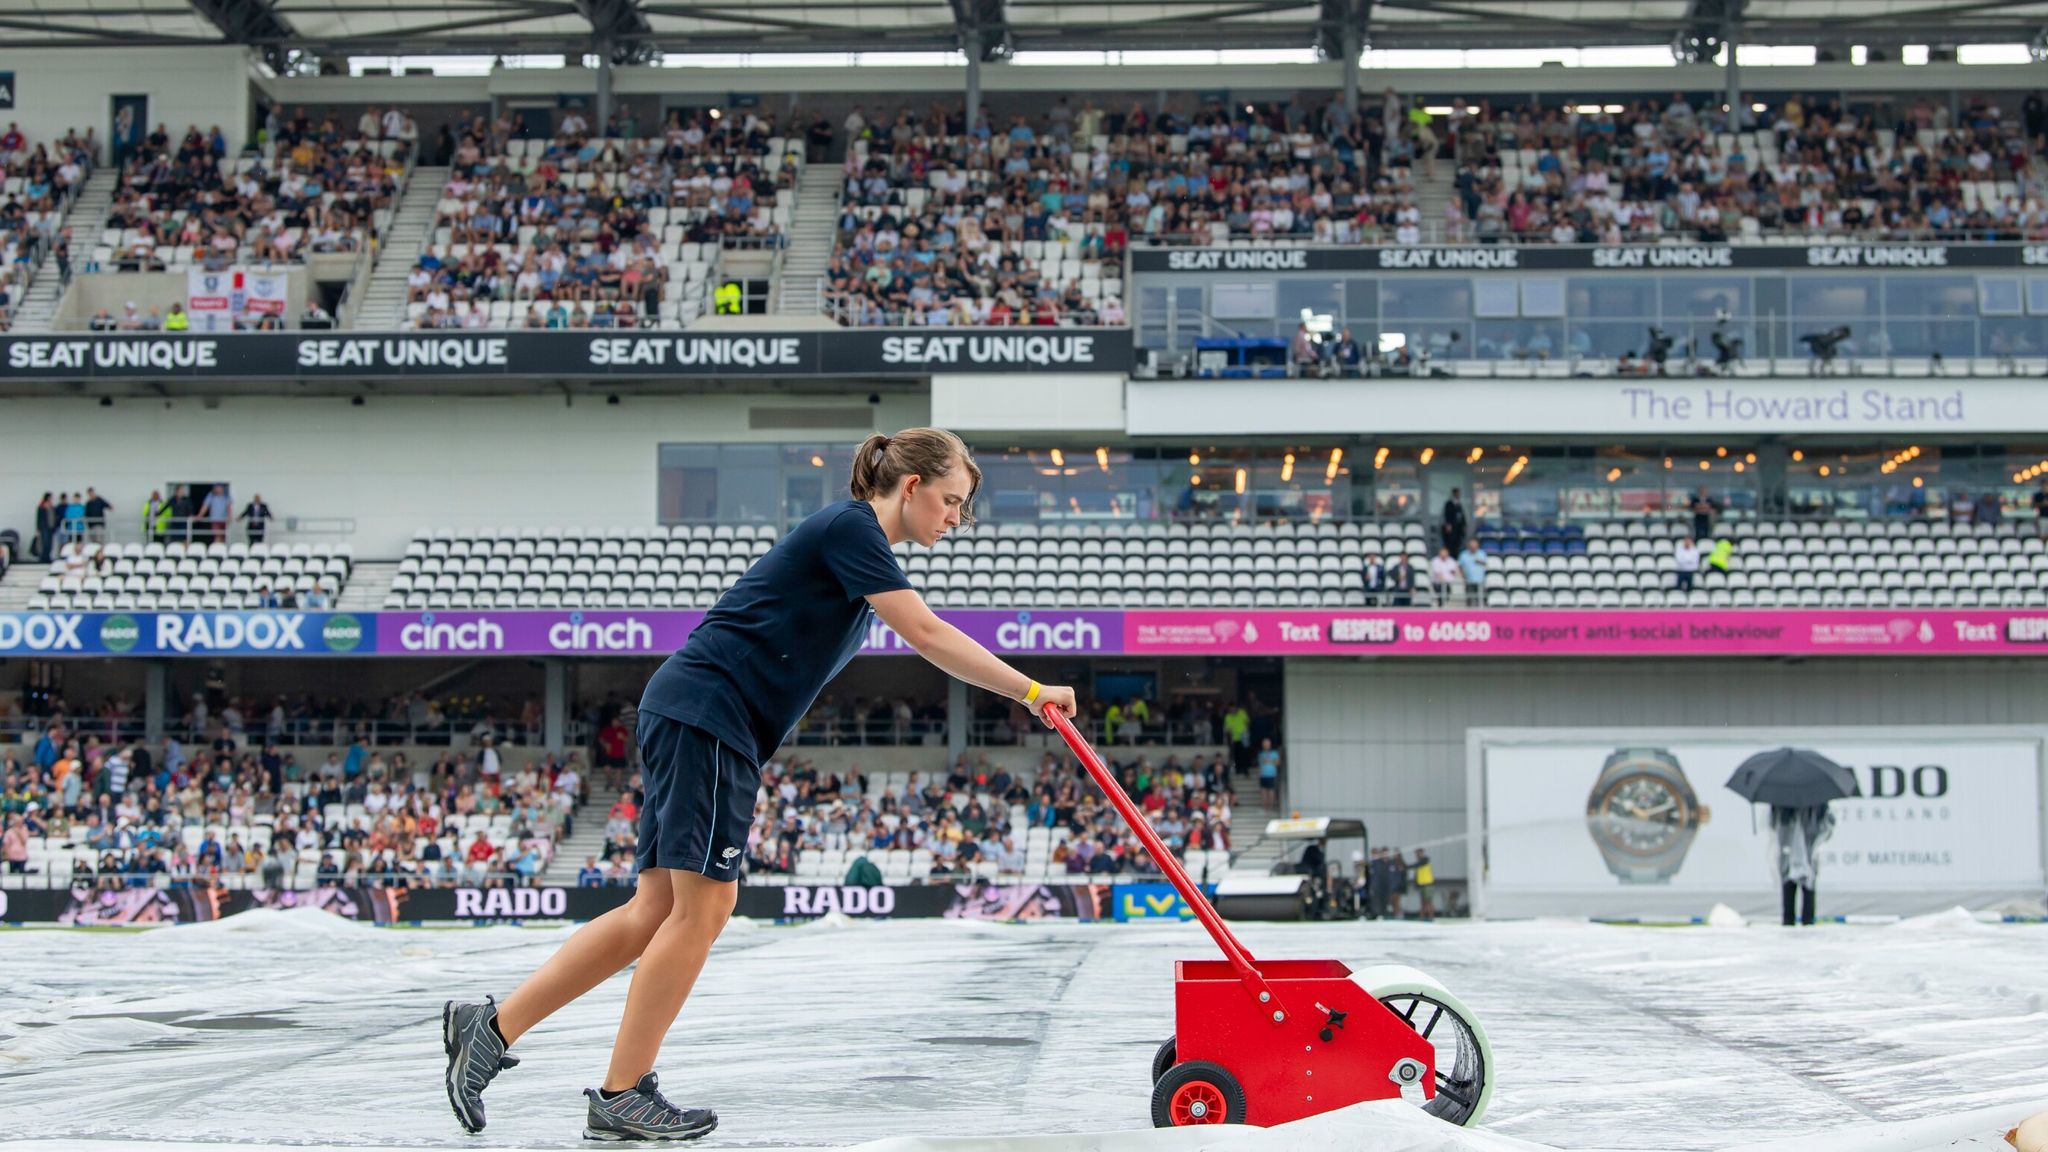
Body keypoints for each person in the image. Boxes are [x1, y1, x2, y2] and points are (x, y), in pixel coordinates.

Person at [440, 428, 1077, 1142]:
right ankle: (621, 1093)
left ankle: (490, 1029)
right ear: (911, 487)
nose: (957, 519)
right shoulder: (853, 529)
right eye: (952, 501)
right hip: (710, 715)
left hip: (694, 711)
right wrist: (1030, 691)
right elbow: (927, 635)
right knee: (706, 908)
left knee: (655, 910)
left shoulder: (855, 542)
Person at [1457, 541, 1488, 606]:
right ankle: (1469, 610)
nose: (1473, 547)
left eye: (1475, 546)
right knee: (1469, 598)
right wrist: (1463, 575)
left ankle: (1481, 610)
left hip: (1480, 580)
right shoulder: (1463, 554)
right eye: (1472, 546)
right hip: (1469, 580)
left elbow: (1486, 564)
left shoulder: (1481, 553)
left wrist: (1480, 561)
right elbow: (1460, 566)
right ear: (1469, 546)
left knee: (1481, 598)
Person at [1440, 488, 1467, 556]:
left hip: (1458, 528)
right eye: (1457, 493)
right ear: (1454, 494)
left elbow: (1462, 515)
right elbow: (1447, 515)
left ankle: (1456, 556)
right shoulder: (1449, 503)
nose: (1459, 495)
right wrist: (1448, 524)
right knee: (1450, 544)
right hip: (1451, 528)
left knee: (1457, 544)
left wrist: (1464, 525)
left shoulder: (1459, 504)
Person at [1255, 738, 1280, 807]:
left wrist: (1269, 761)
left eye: (1267, 743)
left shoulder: (1274, 753)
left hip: (1271, 775)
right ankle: (1265, 807)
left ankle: (1270, 806)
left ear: (1270, 744)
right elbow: (1260, 765)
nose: (1265, 745)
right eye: (1264, 743)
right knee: (1263, 791)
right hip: (1262, 775)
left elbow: (1278, 763)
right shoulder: (1261, 754)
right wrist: (1258, 775)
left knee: (1271, 791)